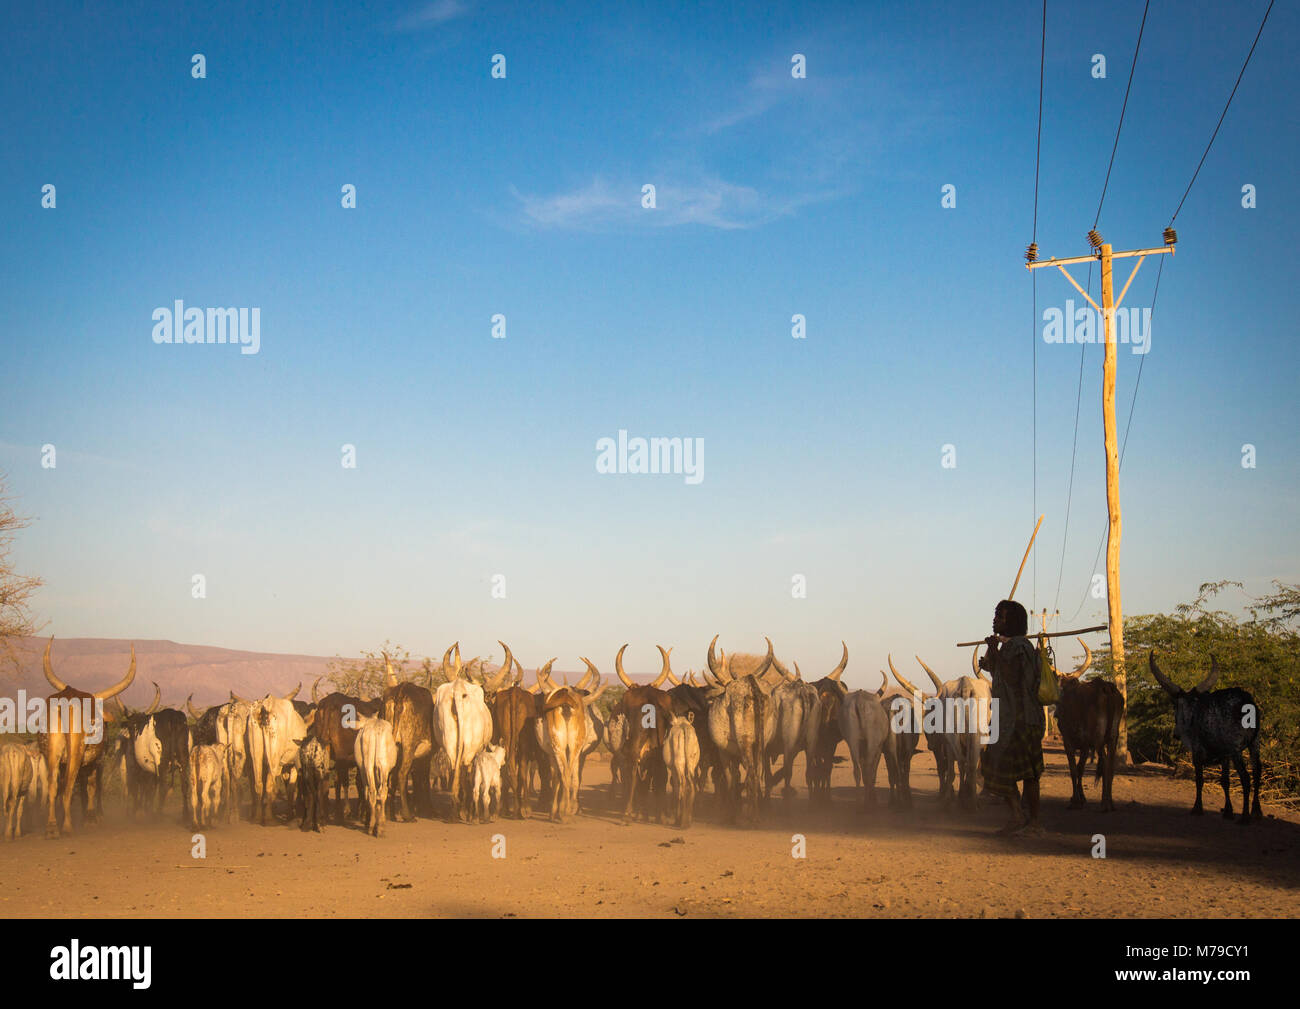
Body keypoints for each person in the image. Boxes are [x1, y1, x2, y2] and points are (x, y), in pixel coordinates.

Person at [979, 599, 1044, 835]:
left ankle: (1028, 820)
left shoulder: (1018, 647)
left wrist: (995, 651)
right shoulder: (1013, 646)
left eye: (1000, 616)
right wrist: (992, 653)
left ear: (1012, 621)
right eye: (995, 615)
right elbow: (998, 673)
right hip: (1014, 720)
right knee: (1015, 770)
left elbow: (1013, 677)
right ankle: (1023, 817)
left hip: (1019, 720)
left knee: (1017, 771)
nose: (995, 619)